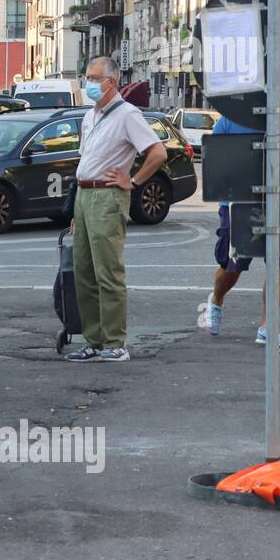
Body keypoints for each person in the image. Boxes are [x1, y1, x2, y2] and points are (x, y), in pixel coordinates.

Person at [64, 56, 167, 363]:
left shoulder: (128, 115)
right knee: (83, 273)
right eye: (87, 77)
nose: (88, 83)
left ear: (111, 82)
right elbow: (86, 161)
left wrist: (132, 181)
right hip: (85, 196)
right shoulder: (91, 115)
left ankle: (115, 343)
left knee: (107, 272)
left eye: (94, 78)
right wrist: (74, 211)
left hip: (107, 197)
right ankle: (94, 341)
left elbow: (158, 152)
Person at [202, 114, 280, 346]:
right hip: (236, 203)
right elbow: (214, 159)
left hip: (278, 202)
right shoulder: (228, 119)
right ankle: (216, 300)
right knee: (232, 266)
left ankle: (268, 327)